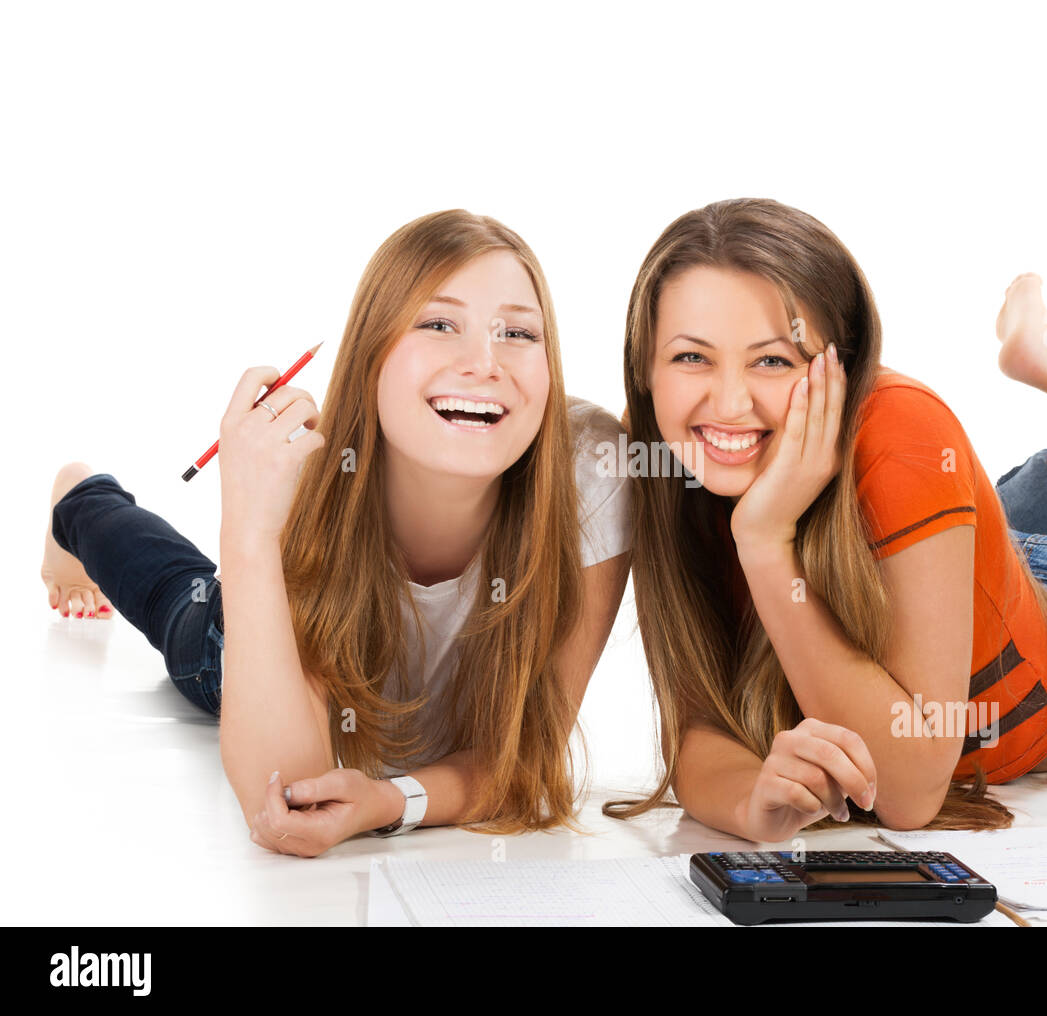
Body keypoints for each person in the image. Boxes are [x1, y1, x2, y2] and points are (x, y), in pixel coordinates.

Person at [603, 196, 1047, 839]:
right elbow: (696, 727)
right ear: (647, 365)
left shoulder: (902, 429)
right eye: (691, 356)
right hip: (974, 571)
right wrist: (752, 797)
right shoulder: (659, 454)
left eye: (774, 361)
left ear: (844, 371)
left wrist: (763, 541)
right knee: (942, 514)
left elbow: (908, 791)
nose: (726, 404)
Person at [40, 210, 631, 855]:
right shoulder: (315, 484)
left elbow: (529, 758)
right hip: (246, 653)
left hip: (384, 744)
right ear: (371, 355)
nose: (484, 363)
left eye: (518, 331)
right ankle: (78, 498)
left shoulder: (594, 467)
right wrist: (247, 529)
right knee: (178, 598)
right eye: (439, 324)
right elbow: (293, 794)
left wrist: (390, 799)